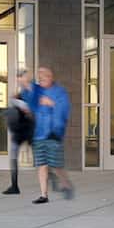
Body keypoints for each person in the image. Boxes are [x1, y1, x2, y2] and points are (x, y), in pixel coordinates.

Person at [29, 64, 73, 203]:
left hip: (53, 134)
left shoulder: (60, 92)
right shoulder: (37, 91)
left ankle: (65, 184)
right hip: (39, 134)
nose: (41, 80)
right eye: (40, 77)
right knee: (42, 164)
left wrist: (52, 104)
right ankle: (44, 195)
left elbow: (64, 111)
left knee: (56, 165)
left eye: (44, 77)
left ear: (50, 77)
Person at [4, 68, 34, 195]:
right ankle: (14, 186)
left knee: (40, 155)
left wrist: (27, 108)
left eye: (22, 77)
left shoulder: (33, 91)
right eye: (19, 77)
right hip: (19, 130)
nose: (20, 80)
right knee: (13, 157)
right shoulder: (20, 93)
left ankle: (51, 177)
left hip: (30, 129)